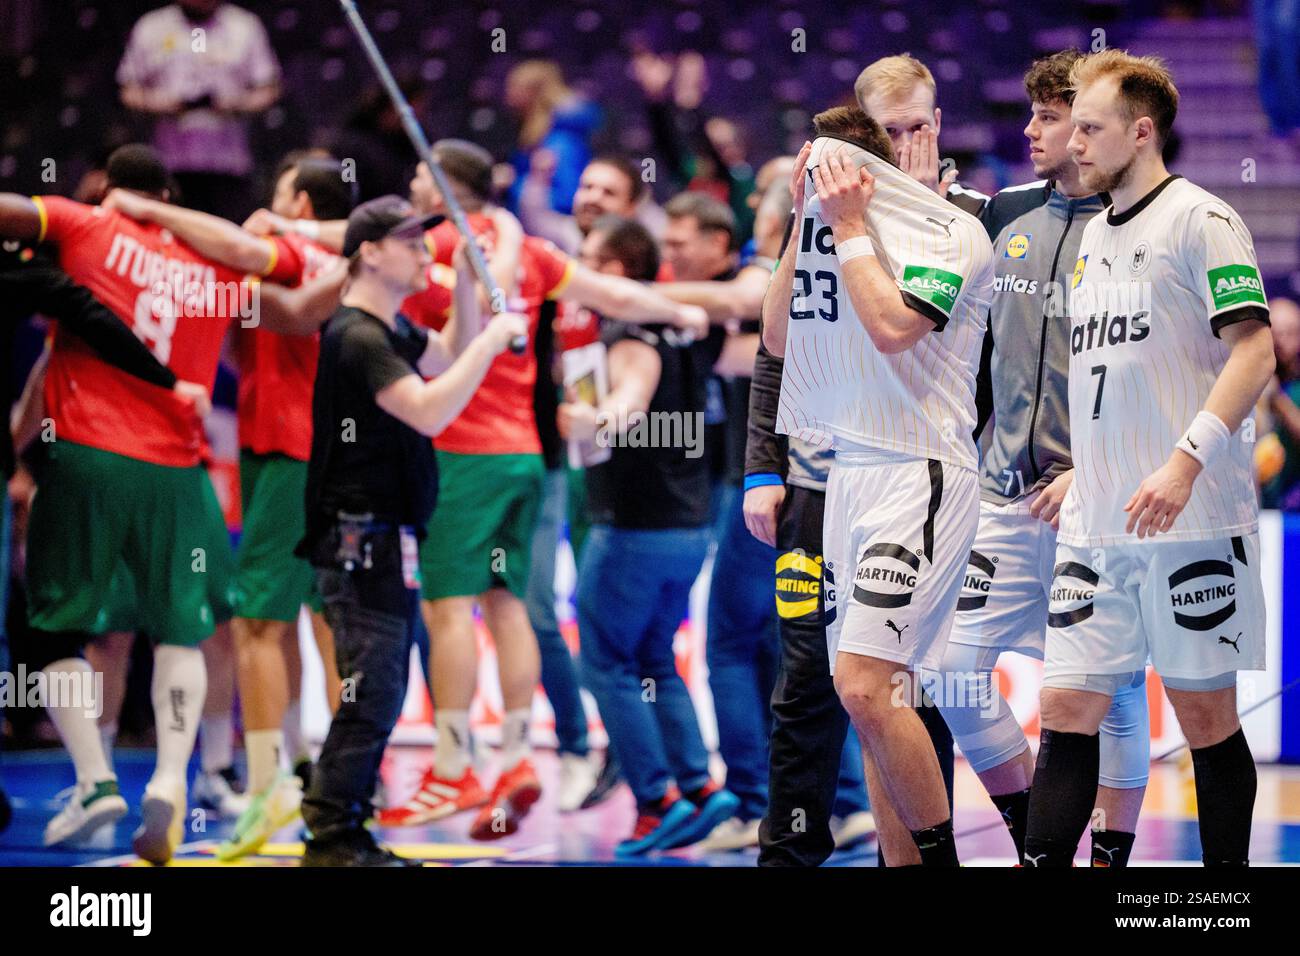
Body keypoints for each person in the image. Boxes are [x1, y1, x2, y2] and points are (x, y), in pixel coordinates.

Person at [374, 141, 707, 838]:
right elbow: (612, 294)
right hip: (526, 455)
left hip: (462, 451)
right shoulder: (529, 250)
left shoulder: (434, 248)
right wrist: (678, 313)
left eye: (419, 182)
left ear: (442, 191)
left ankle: (452, 766)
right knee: (506, 604)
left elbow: (370, 260)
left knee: (446, 609)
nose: (412, 193)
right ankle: (519, 755)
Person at [0, 143, 319, 863]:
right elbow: (296, 310)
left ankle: (95, 779)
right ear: (171, 193)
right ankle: (176, 780)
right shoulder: (211, 266)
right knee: (184, 632)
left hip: (85, 457)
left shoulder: (82, 229)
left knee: (55, 634)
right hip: (179, 471)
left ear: (111, 188)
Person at [1023, 50, 1275, 868]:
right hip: (1098, 524)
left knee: (1206, 719)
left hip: (1191, 521)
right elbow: (1111, 371)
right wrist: (1082, 466)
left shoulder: (1202, 220)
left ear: (1141, 131)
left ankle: (1222, 900)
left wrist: (1184, 461)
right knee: (1065, 708)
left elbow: (1255, 349)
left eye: (1090, 128)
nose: (1074, 144)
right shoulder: (1093, 234)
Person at [923, 50, 1152, 867]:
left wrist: (1097, 475)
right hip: (1002, 494)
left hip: (1105, 502)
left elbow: (1181, 384)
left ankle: (1112, 857)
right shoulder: (1002, 217)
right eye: (1035, 115)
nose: (1033, 132)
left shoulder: (1150, 229)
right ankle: (1035, 837)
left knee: (1109, 687)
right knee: (950, 670)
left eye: (1052, 117)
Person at [764, 110, 994, 867]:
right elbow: (777, 338)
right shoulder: (830, 228)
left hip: (922, 471)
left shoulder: (946, 232)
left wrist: (851, 226)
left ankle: (938, 860)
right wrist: (806, 225)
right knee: (869, 702)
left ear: (865, 172)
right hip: (849, 477)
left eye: (822, 165)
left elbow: (896, 326)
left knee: (867, 686)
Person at [295, 195, 527, 866]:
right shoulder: (358, 335)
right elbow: (429, 410)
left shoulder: (390, 329)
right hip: (357, 536)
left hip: (385, 532)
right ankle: (333, 833)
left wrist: (463, 282)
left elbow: (447, 349)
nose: (426, 253)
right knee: (372, 687)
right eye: (413, 244)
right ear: (370, 251)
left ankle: (344, 827)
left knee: (384, 687)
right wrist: (491, 340)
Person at [559, 215, 751, 855]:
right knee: (652, 661)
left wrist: (585, 419)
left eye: (592, 261)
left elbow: (630, 402)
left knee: (606, 661)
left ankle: (654, 800)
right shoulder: (684, 328)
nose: (578, 273)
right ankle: (700, 790)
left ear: (618, 273)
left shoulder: (628, 330)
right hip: (689, 527)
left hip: (635, 527)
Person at [117, 0, 280, 221]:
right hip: (170, 167)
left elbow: (269, 88)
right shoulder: (152, 27)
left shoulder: (245, 27)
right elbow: (128, 89)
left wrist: (235, 104)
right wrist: (164, 104)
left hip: (229, 166)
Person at [854, 54, 989, 218]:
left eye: (918, 127)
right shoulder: (843, 207)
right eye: (889, 130)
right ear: (864, 131)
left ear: (937, 122)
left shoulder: (979, 210)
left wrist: (930, 208)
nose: (906, 146)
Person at [1260, 299, 1300, 509]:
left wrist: (1277, 400)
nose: (1280, 341)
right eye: (1274, 333)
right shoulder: (1254, 380)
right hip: (1260, 500)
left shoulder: (1290, 389)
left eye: (1289, 333)